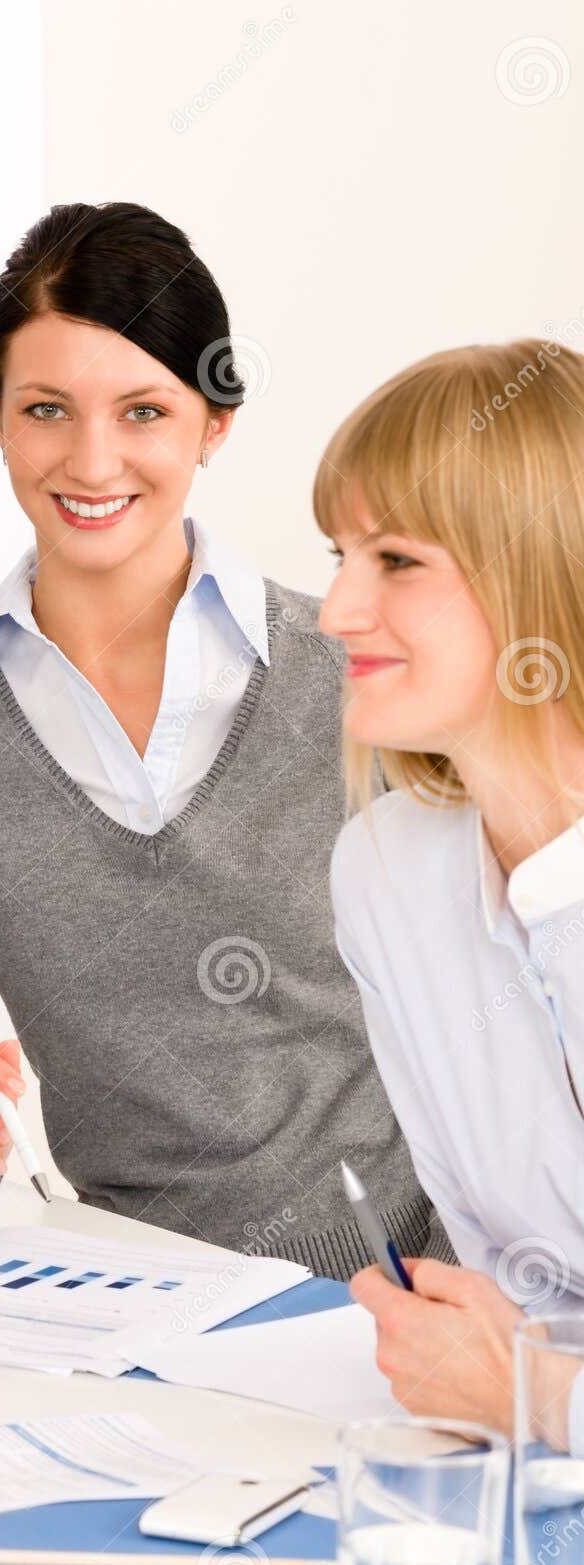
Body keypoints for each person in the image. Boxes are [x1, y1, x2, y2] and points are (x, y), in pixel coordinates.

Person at [0, 203, 447, 1278]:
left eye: (143, 411)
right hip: (122, 1293)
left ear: (214, 422)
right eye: (46, 409)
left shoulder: (360, 674)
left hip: (405, 1283)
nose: (91, 459)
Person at [321, 338, 584, 1454]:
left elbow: (527, 1369)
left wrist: (533, 1398)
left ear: (534, 567)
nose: (334, 608)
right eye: (337, 553)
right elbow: (502, 1286)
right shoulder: (385, 870)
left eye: (394, 560)